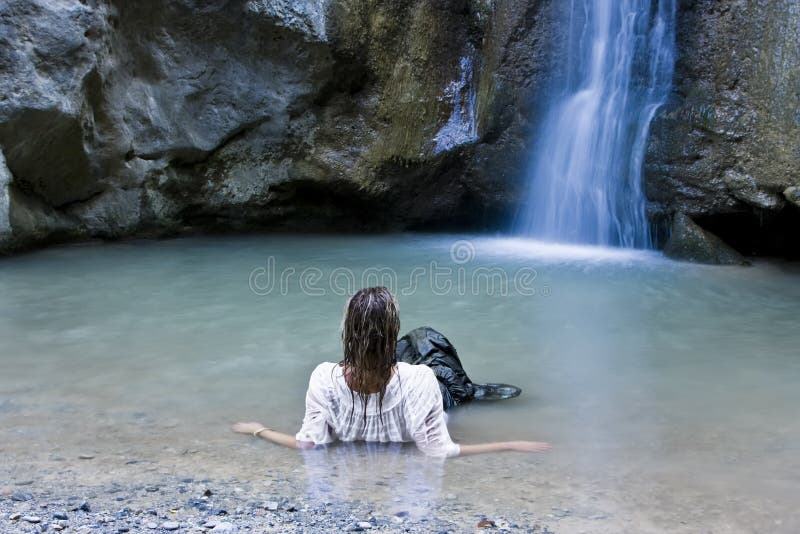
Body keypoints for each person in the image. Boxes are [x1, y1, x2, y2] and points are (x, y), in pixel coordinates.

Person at [233, 286, 550, 458]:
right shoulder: (422, 378)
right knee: (426, 337)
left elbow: (307, 445)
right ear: (392, 328)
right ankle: (469, 391)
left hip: (388, 380)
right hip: (433, 393)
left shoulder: (322, 378)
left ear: (346, 331)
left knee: (408, 346)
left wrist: (258, 429)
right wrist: (508, 444)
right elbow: (439, 450)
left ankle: (381, 351)